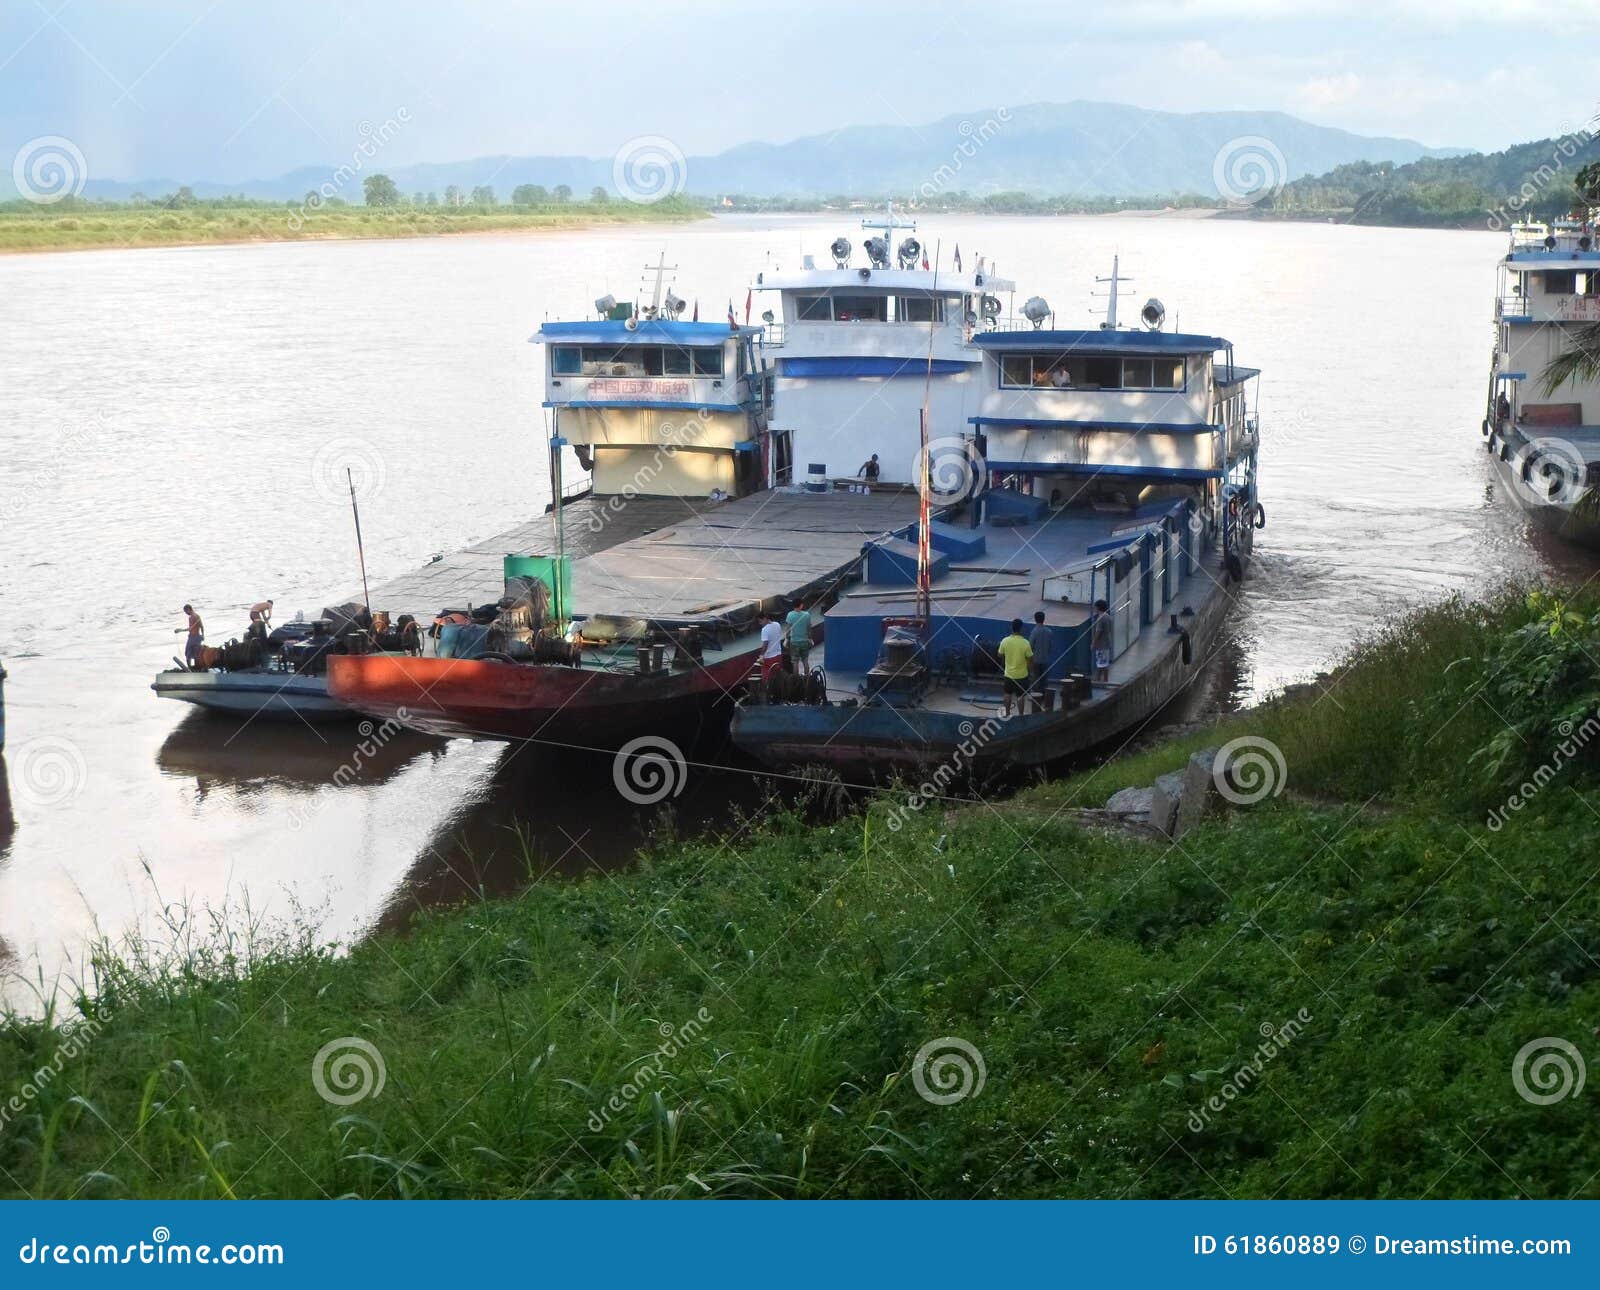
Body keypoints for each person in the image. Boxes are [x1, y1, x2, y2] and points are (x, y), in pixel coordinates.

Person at [996, 617, 1033, 718]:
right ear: (1021, 629)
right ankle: (1020, 715)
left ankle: (1007, 714)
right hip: (1022, 675)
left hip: (1009, 675)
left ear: (1012, 628)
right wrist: (1028, 671)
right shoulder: (1026, 643)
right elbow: (1030, 658)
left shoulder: (1005, 641)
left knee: (1007, 694)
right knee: (1021, 696)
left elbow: (999, 655)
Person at [1028, 610, 1054, 713]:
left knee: (1035, 678)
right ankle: (1044, 697)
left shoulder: (1034, 631)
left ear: (1035, 619)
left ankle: (1036, 697)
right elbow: (1050, 646)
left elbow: (1030, 646)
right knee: (1044, 680)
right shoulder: (1049, 631)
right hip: (1045, 659)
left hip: (1036, 659)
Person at [784, 598, 813, 674]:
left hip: (794, 642)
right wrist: (810, 639)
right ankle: (807, 678)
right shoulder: (807, 615)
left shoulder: (790, 615)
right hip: (804, 641)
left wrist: (786, 639)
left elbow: (788, 629)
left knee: (795, 662)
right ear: (801, 605)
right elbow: (809, 629)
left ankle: (796, 680)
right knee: (805, 661)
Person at [758, 610, 785, 684]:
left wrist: (761, 655)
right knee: (778, 675)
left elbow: (765, 644)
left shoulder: (764, 630)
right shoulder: (777, 624)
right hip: (778, 655)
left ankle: (768, 691)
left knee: (766, 678)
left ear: (765, 619)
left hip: (769, 658)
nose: (760, 624)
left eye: (760, 621)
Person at [1091, 599, 1113, 684]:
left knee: (1102, 662)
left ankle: (1104, 680)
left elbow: (1098, 632)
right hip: (1107, 642)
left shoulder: (1100, 618)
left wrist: (1093, 642)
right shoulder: (1108, 616)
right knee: (1102, 662)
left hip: (1101, 644)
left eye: (1095, 607)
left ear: (1098, 607)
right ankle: (1099, 678)